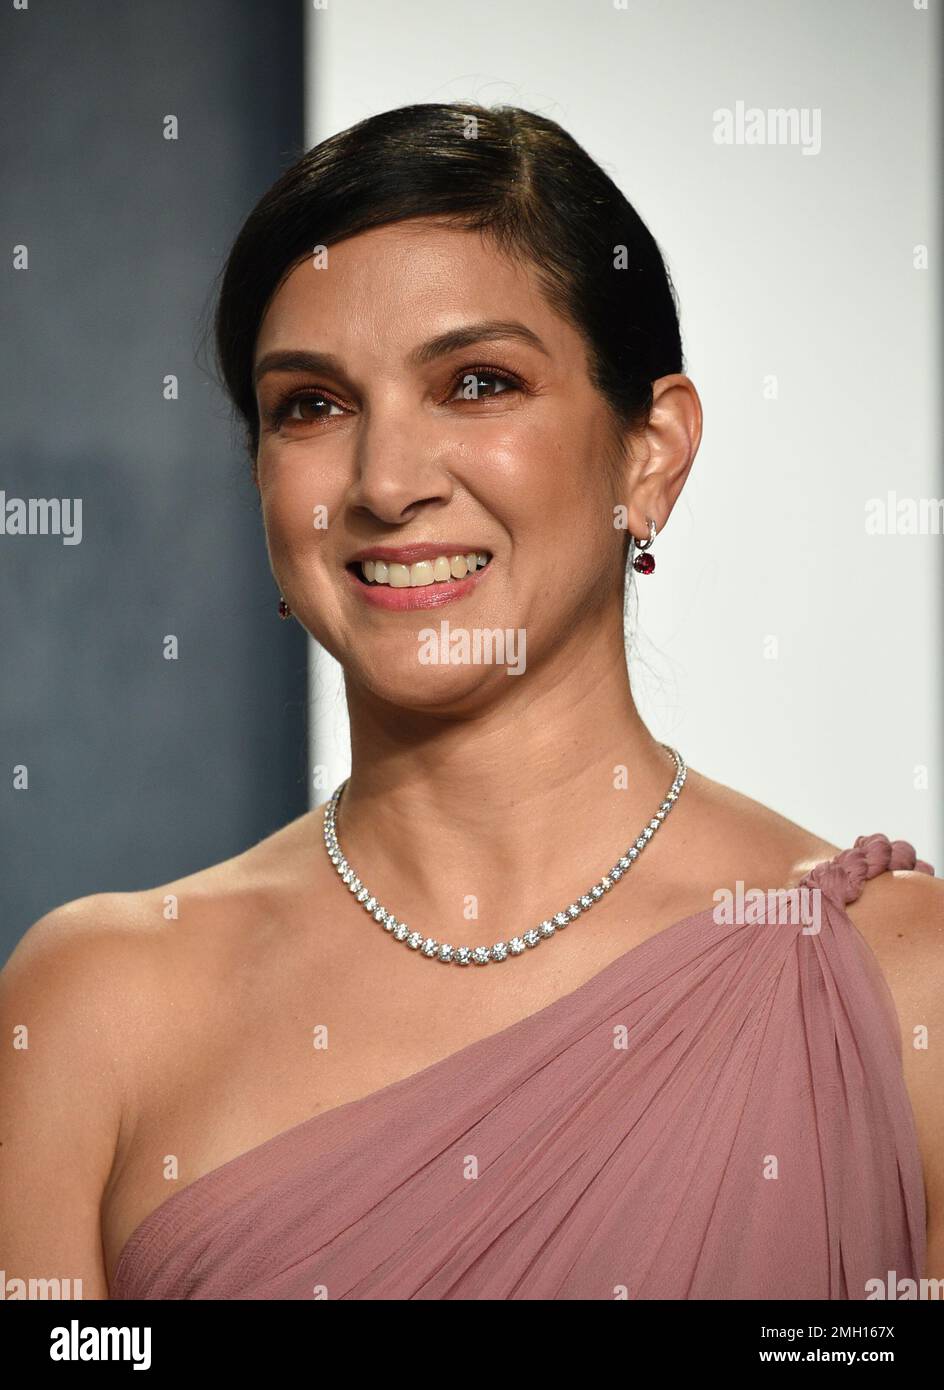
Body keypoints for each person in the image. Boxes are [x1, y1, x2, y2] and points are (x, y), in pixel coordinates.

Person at [1, 102, 940, 1301]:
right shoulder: (94, 1006)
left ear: (650, 452)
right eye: (311, 405)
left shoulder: (899, 984)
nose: (386, 482)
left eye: (477, 382)